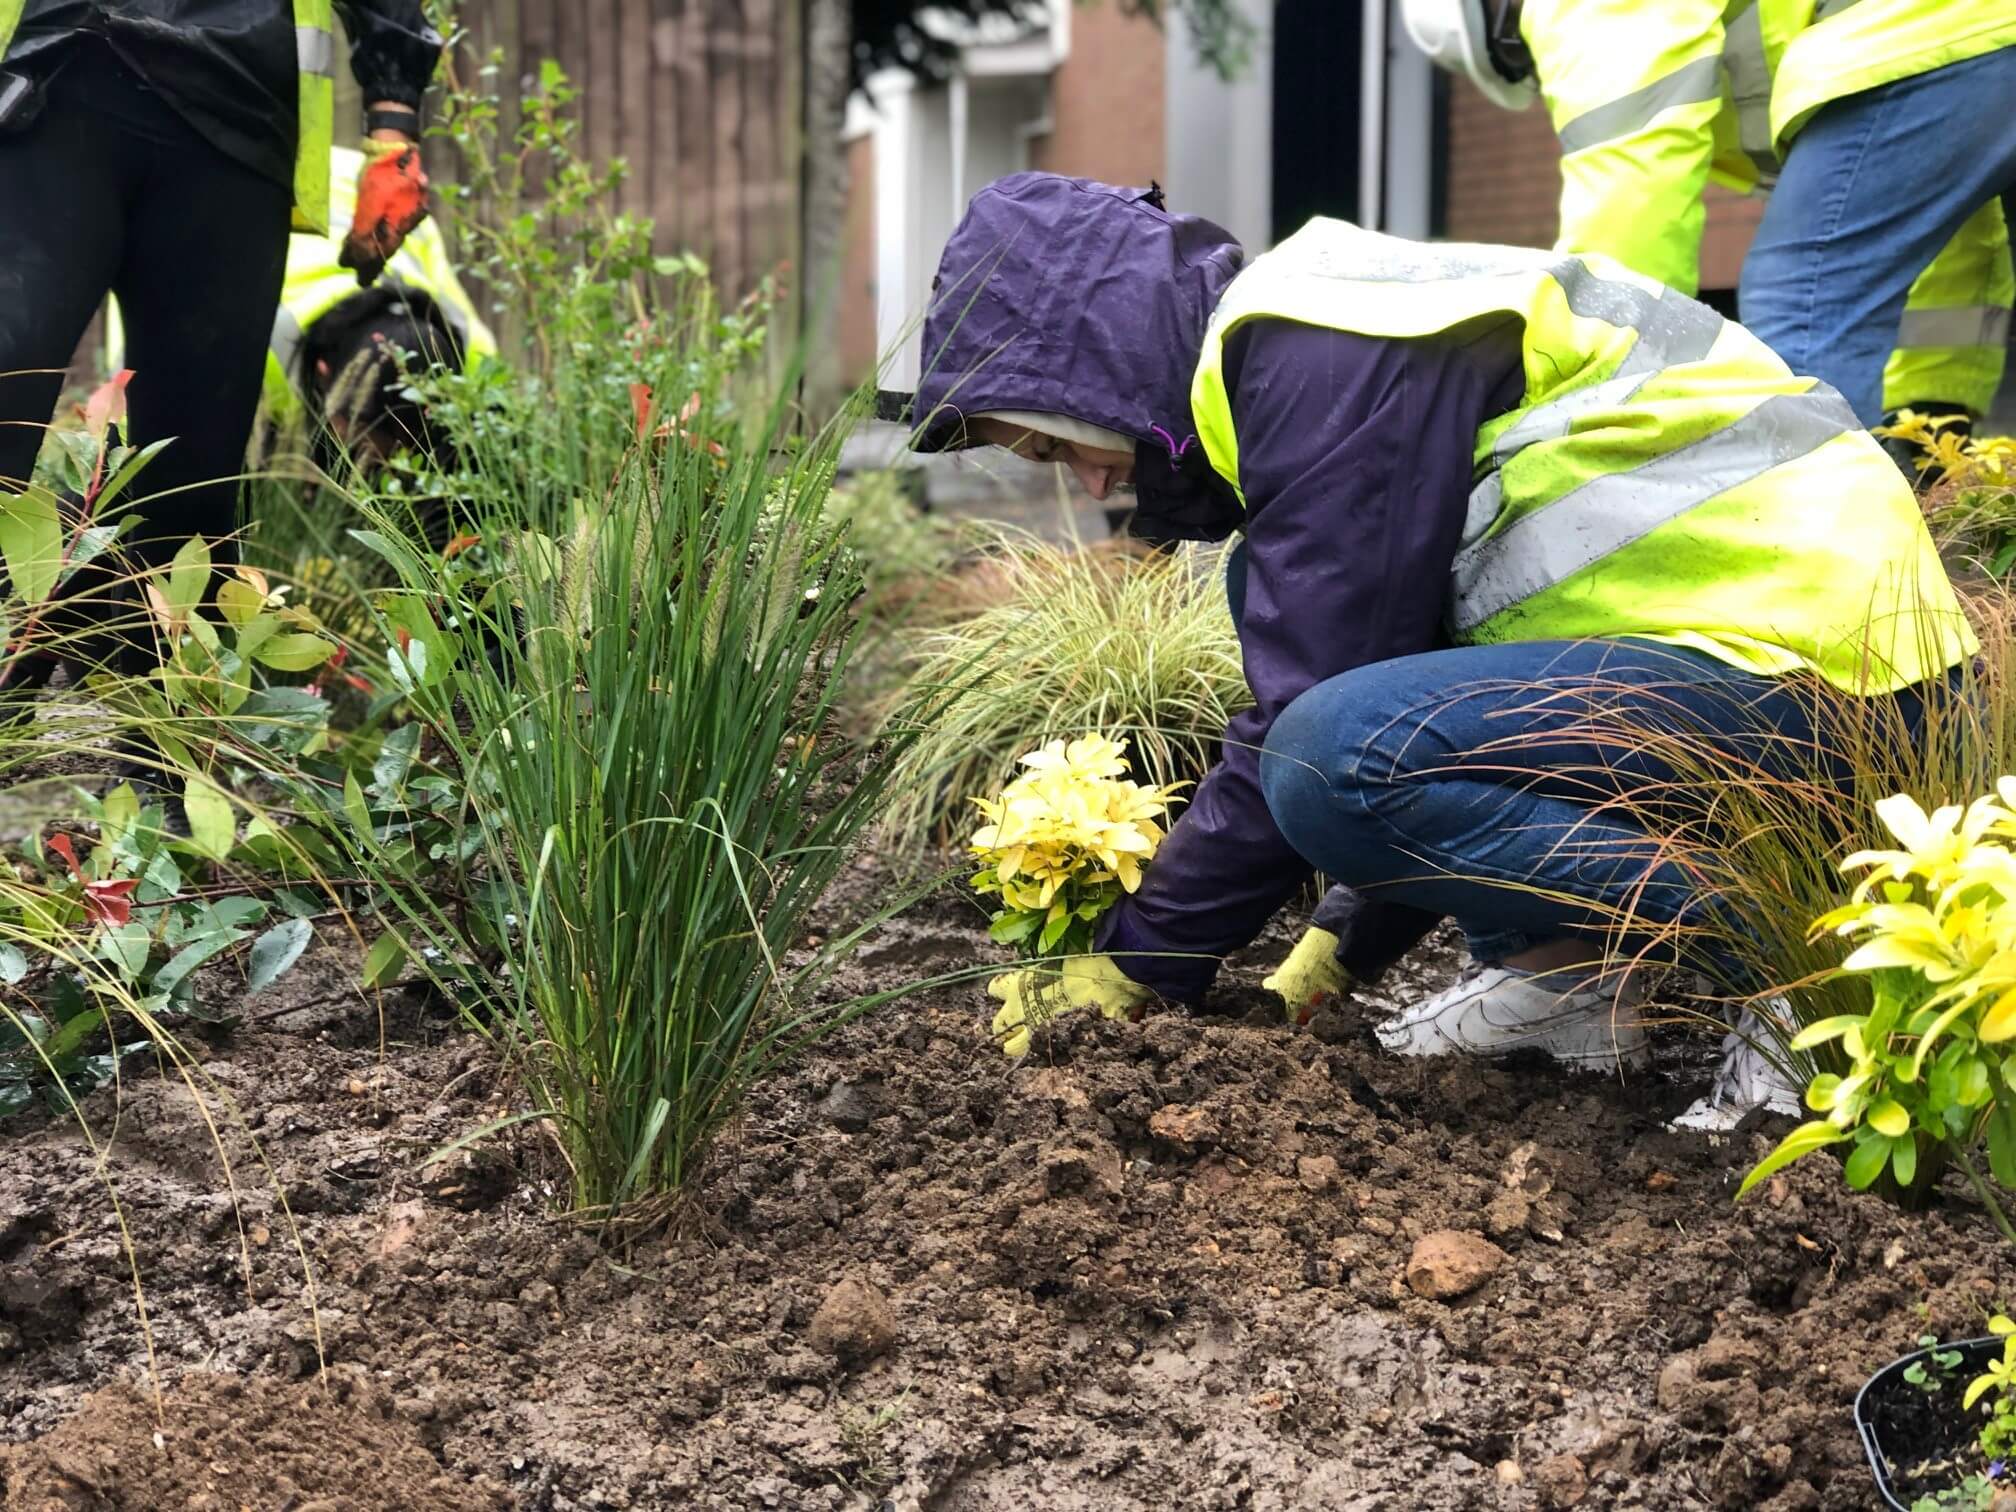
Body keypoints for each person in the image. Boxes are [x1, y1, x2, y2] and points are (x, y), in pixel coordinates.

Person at [886, 172, 1976, 1128]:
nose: (1087, 482)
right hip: (1783, 674)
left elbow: (1328, 731)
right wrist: (1343, 947)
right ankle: (1566, 975)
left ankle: (1789, 949)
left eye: (1052, 443)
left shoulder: (1317, 357)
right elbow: (1420, 680)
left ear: (1091, 371)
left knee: (1322, 759)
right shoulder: (1319, 338)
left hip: (1823, 686)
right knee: (1309, 682)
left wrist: (1140, 963)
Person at [0, 0, 443, 640]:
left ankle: (152, 723)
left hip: (237, 118)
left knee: (188, 497)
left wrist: (394, 125)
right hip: (51, 79)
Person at [1401, 0, 2016, 435]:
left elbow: (1634, 187)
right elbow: (1954, 243)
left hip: (1946, 26)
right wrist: (1934, 424)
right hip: (1985, 32)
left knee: (1801, 296)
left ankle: (1806, 581)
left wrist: (1592, 394)